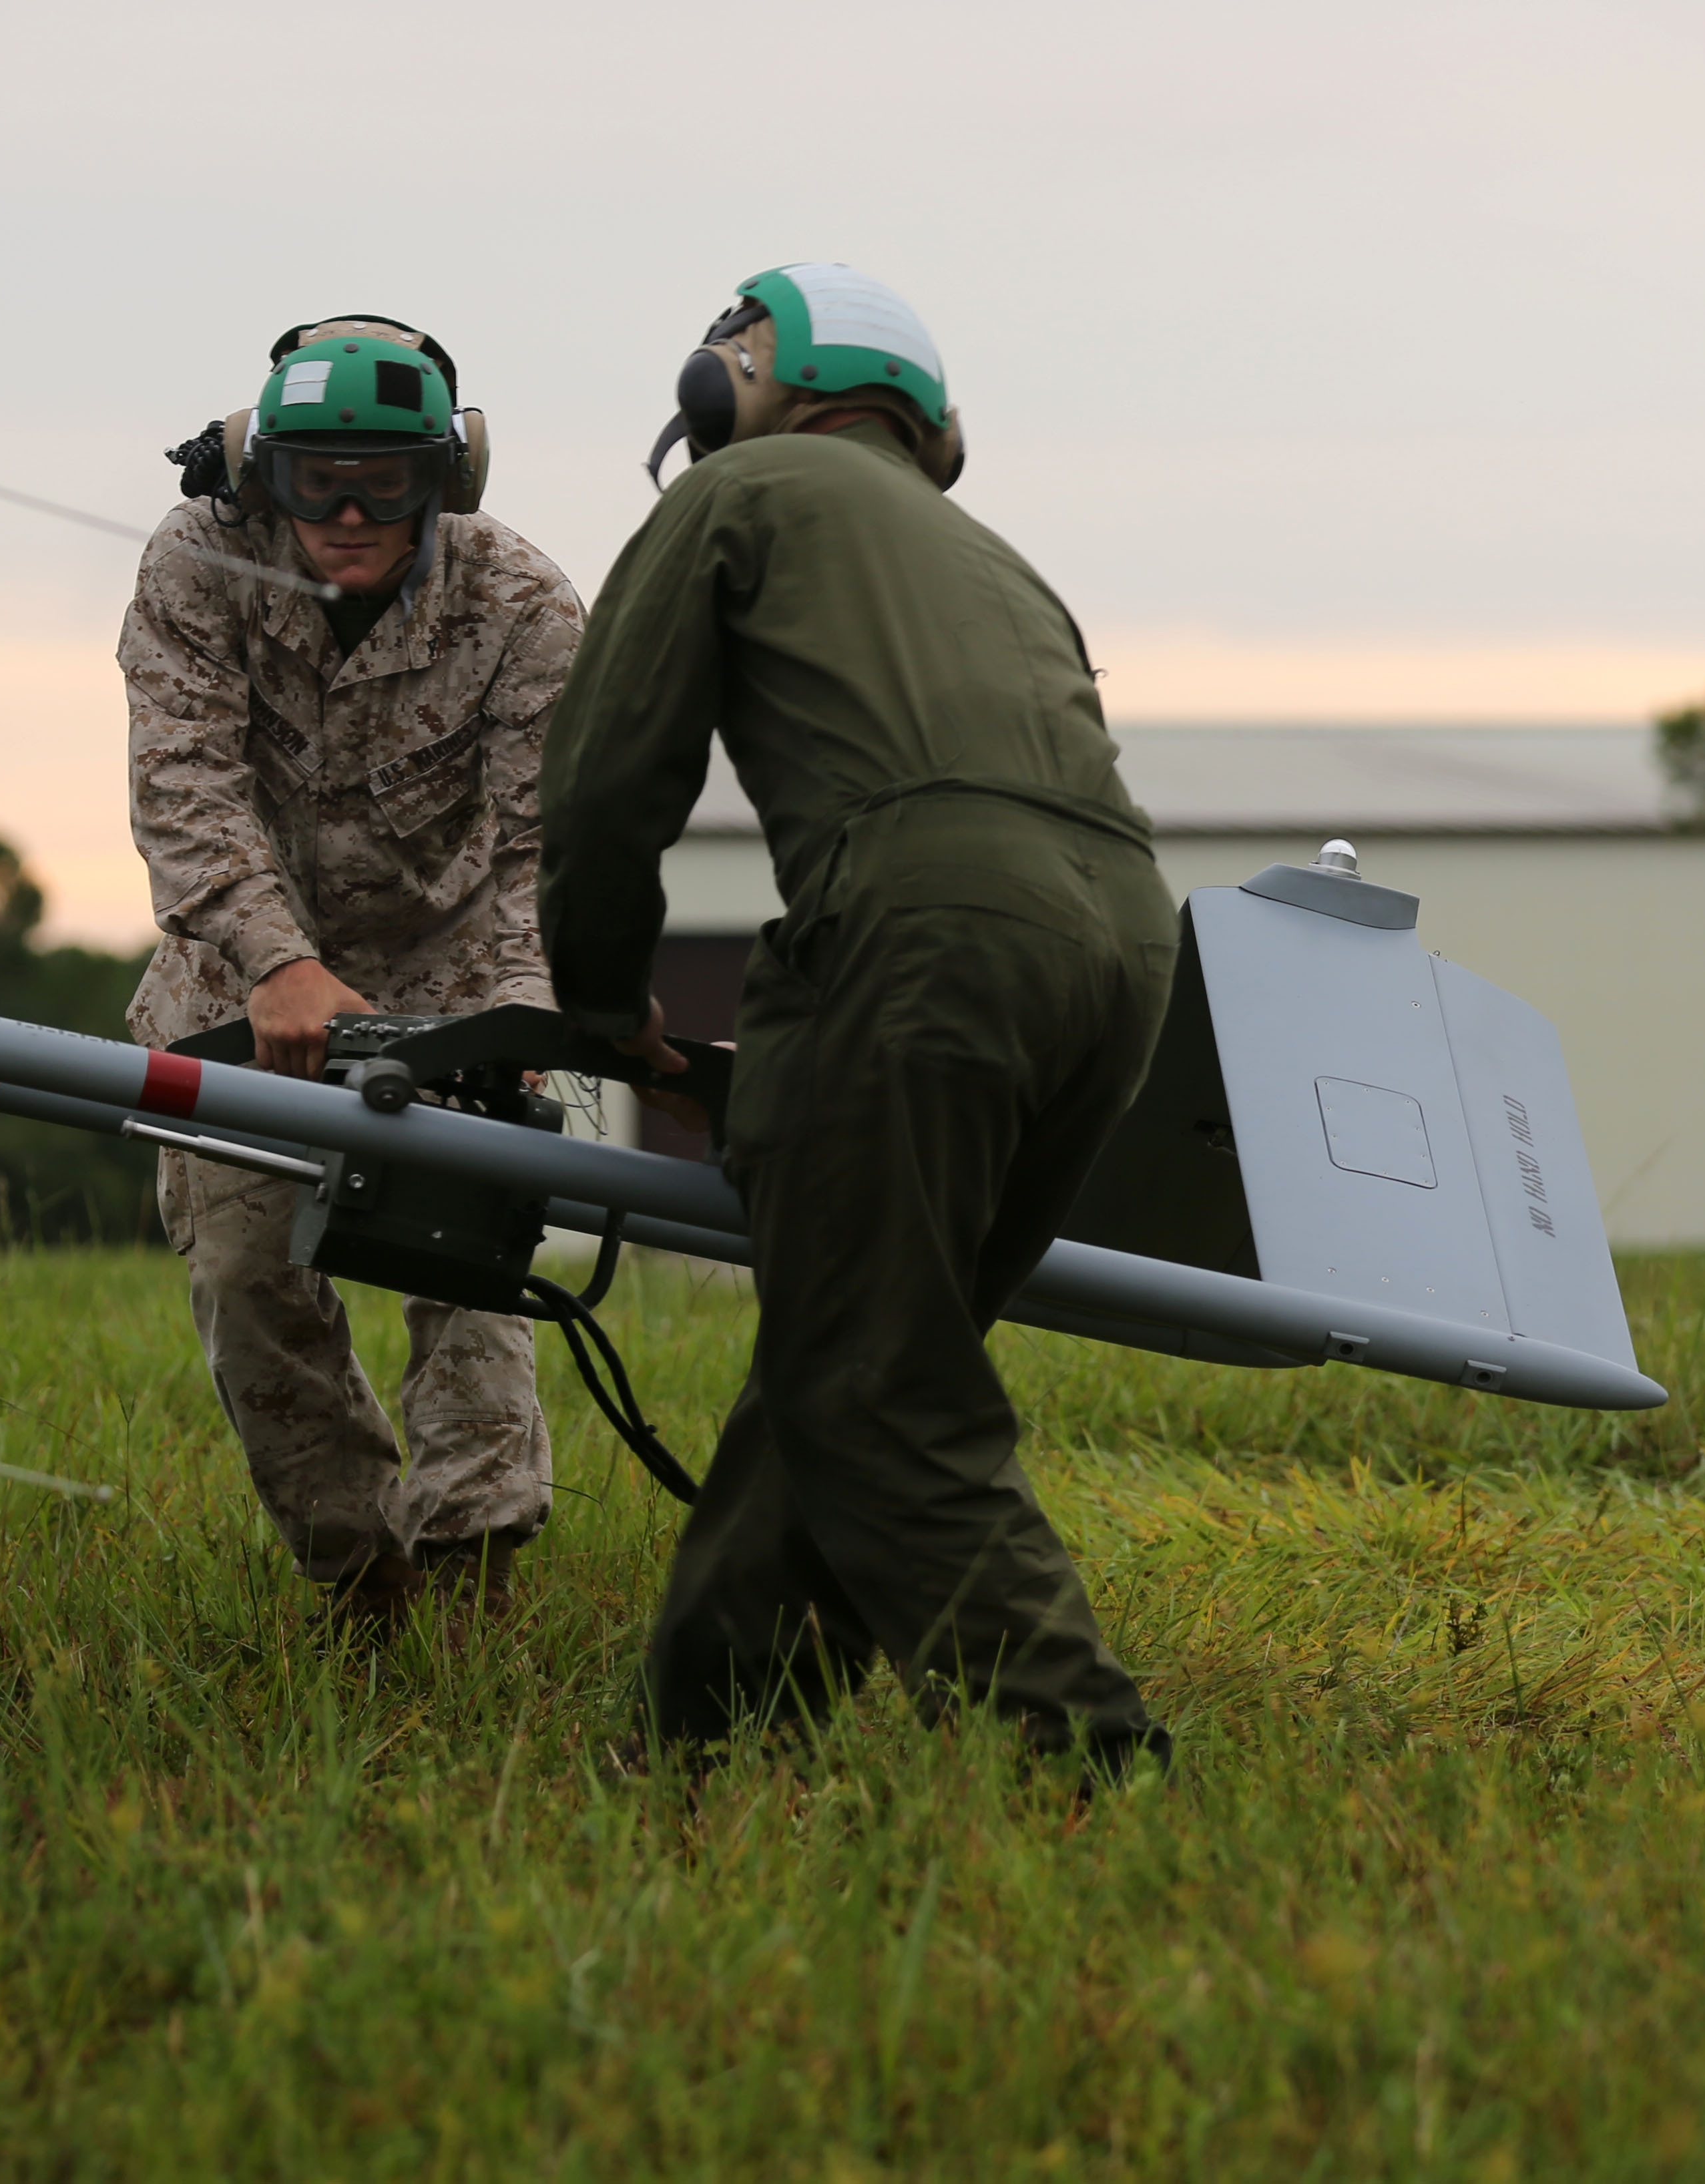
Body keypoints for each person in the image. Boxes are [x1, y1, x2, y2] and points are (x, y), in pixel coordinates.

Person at [538, 264, 1176, 1773]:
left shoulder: (735, 494)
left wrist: (597, 1000)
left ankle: (1088, 1760)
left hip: (925, 924)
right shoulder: (998, 559)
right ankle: (705, 1747)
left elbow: (607, 785)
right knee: (851, 1338)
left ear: (742, 380)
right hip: (1124, 944)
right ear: (931, 424)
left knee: (874, 1382)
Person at [124, 315, 583, 1632]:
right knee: (247, 1270)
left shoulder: (521, 603)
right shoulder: (196, 564)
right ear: (255, 469)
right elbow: (183, 785)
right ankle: (364, 1585)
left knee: (472, 1263)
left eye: (383, 480)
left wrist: (515, 1021)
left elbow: (539, 849)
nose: (344, 509)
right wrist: (277, 964)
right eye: (311, 473)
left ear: (446, 478)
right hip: (237, 971)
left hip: (453, 968)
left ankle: (472, 1580)